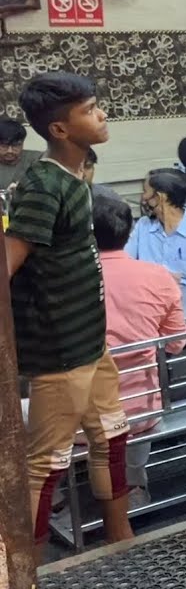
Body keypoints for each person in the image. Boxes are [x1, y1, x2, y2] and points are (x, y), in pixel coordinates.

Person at [6, 72, 132, 552]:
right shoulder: (44, 185)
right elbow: (9, 262)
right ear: (59, 129)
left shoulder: (75, 176)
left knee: (110, 437)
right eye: (89, 109)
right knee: (46, 464)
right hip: (59, 354)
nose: (101, 115)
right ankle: (30, 571)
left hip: (90, 344)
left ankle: (122, 538)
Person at [94, 191, 186, 506]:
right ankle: (135, 485)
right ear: (130, 230)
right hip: (142, 410)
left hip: (83, 418)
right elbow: (175, 344)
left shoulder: (67, 281)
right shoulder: (158, 277)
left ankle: (59, 504)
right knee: (135, 408)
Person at [0, 117, 43, 188]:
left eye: (15, 146)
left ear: (22, 143)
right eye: (4, 146)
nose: (10, 151)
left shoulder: (37, 159)